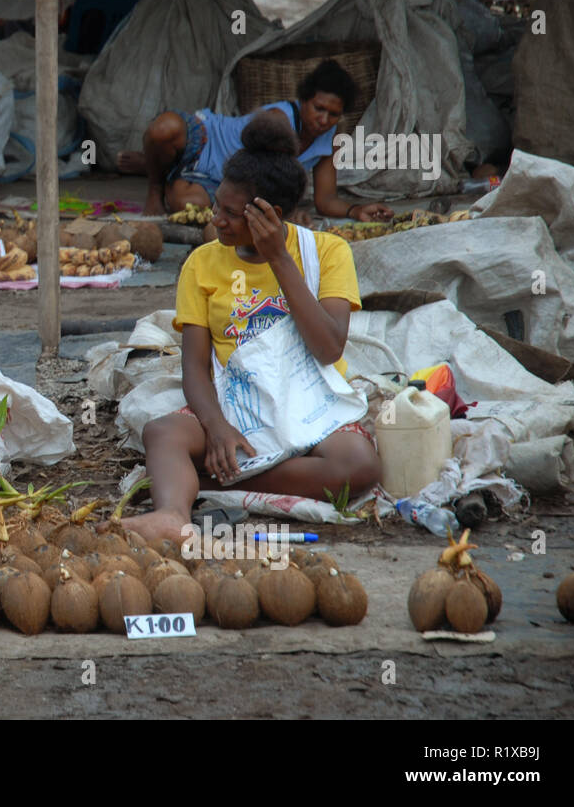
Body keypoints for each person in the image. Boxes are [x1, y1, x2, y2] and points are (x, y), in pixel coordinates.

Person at [120, 115, 382, 544]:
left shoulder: (326, 252)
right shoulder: (202, 263)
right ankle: (171, 513)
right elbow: (195, 367)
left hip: (310, 396)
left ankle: (212, 483)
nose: (215, 219)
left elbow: (329, 349)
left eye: (229, 212)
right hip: (236, 401)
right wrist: (216, 425)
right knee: (162, 432)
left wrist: (279, 258)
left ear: (269, 215)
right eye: (216, 205)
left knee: (360, 468)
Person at [117, 59, 393, 222]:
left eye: (333, 114)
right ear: (303, 101)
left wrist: (356, 210)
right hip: (207, 142)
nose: (324, 120)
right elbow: (264, 173)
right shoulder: (278, 119)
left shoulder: (328, 142)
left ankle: (164, 169)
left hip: (223, 177)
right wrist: (289, 211)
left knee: (189, 209)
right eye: (318, 108)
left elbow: (326, 199)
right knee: (163, 129)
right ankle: (155, 184)